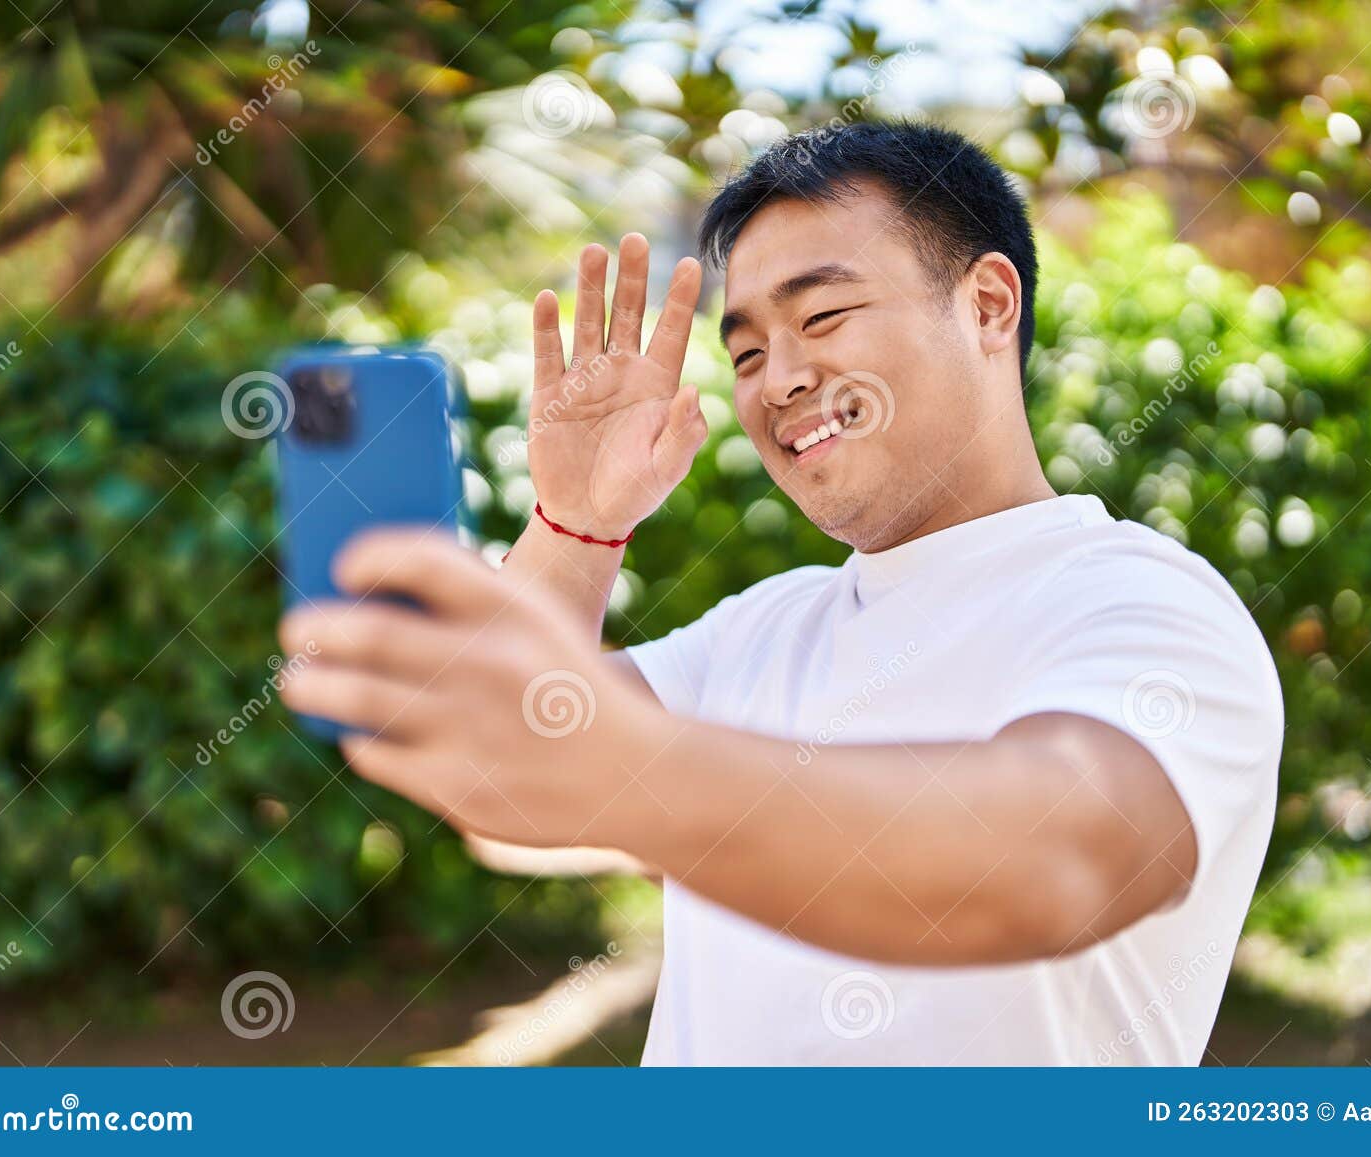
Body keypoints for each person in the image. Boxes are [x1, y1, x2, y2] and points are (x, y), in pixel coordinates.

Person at [278, 120, 1283, 1065]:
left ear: (986, 303)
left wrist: (614, 760)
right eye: (747, 351)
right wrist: (577, 523)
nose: (779, 379)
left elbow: (1046, 865)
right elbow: (503, 799)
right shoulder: (761, 628)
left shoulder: (1146, 604)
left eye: (823, 315)